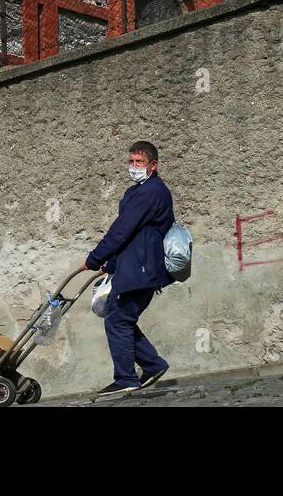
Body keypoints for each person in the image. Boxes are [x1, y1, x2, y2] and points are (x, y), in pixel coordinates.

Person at [82, 140, 175, 397]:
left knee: (118, 319)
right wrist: (110, 265)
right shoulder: (138, 191)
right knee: (120, 317)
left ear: (153, 165)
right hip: (134, 266)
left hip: (141, 270)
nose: (134, 167)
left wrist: (94, 258)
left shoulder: (150, 192)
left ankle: (126, 378)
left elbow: (121, 231)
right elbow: (134, 235)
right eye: (131, 161)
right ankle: (153, 365)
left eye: (140, 162)